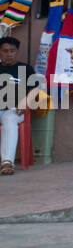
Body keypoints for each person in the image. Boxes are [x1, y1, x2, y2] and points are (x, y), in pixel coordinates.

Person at [0, 36, 33, 175]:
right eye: (5, 51)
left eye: (12, 51)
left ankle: (7, 162)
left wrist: (26, 101)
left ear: (16, 52)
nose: (9, 54)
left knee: (9, 119)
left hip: (15, 110)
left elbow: (36, 88)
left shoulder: (25, 69)